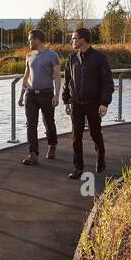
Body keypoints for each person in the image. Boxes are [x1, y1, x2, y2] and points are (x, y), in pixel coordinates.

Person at [62, 26, 113, 178]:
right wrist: (66, 101)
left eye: (74, 38)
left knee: (95, 133)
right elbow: (67, 81)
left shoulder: (100, 58)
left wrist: (104, 103)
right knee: (76, 135)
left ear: (83, 40)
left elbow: (107, 83)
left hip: (94, 103)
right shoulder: (71, 58)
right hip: (76, 103)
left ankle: (101, 158)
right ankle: (78, 167)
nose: (72, 41)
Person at [18, 29, 60, 165]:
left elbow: (58, 78)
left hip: (47, 94)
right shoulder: (29, 55)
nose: (28, 42)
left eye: (30, 39)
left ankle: (52, 145)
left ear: (37, 40)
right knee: (31, 124)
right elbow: (26, 76)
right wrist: (21, 95)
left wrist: (56, 96)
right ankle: (33, 154)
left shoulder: (52, 55)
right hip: (30, 95)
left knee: (49, 122)